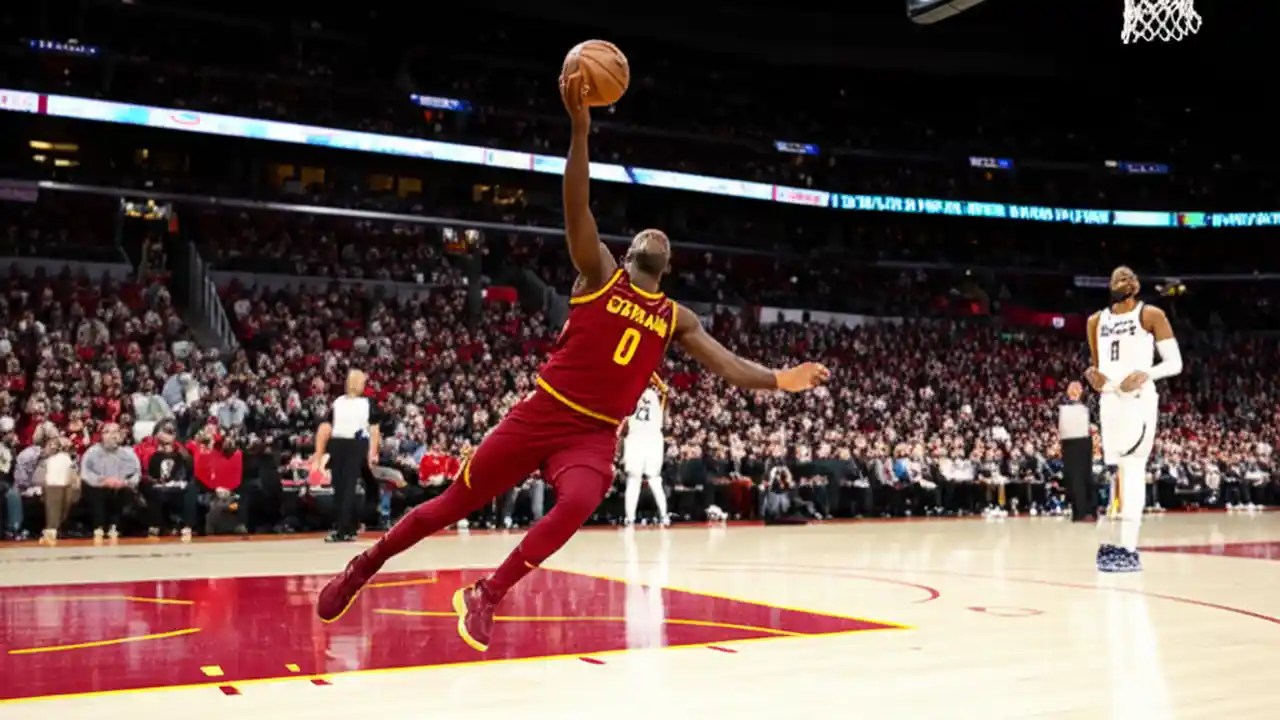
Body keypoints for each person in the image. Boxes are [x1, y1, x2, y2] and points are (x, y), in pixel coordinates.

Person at [316, 70, 829, 651]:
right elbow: (576, 203)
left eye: (665, 235)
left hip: (591, 434)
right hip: (541, 412)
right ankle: (365, 564)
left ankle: (488, 593)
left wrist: (782, 380)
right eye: (647, 231)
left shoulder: (674, 318)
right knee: (447, 505)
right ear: (635, 250)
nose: (656, 233)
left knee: (581, 501)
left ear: (668, 264)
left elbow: (729, 365)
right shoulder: (599, 271)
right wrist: (581, 129)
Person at [1085, 266, 1182, 572]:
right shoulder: (1095, 320)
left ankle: (1129, 547)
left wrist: (1145, 373)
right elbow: (1098, 365)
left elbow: (1175, 363)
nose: (1123, 280)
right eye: (1117, 277)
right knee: (1117, 472)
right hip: (1109, 400)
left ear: (1137, 286)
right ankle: (1117, 542)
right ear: (1110, 286)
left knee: (1133, 469)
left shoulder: (1151, 315)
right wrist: (1092, 375)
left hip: (1137, 400)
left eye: (1129, 277)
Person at [311, 370, 383, 542]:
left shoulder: (353, 403)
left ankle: (345, 528)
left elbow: (373, 430)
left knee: (346, 487)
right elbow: (326, 429)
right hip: (346, 444)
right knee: (343, 487)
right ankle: (347, 527)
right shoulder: (346, 402)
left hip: (349, 444)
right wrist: (318, 455)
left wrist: (372, 452)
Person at [622, 386, 668, 526]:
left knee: (633, 481)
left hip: (635, 438)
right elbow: (664, 421)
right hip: (653, 439)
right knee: (655, 479)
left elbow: (625, 424)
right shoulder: (657, 395)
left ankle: (629, 518)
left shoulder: (629, 392)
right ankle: (664, 516)